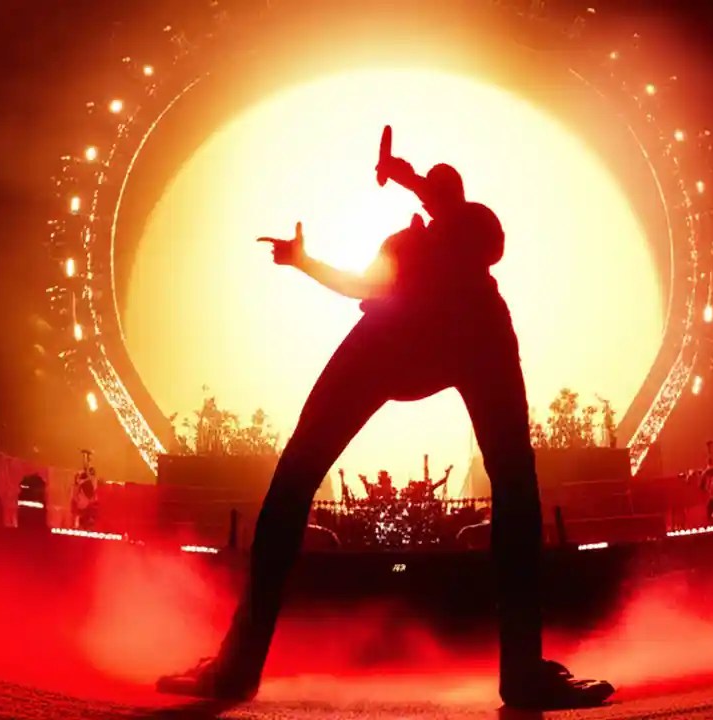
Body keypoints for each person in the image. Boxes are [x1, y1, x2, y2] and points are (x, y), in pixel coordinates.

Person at [156, 143, 614, 710]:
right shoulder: (412, 242)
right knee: (300, 479)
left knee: (506, 486)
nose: (429, 194)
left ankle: (235, 668)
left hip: (446, 337)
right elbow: (365, 286)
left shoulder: (472, 226)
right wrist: (307, 262)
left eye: (437, 189)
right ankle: (236, 666)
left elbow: (464, 238)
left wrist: (405, 179)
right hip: (406, 337)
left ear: (448, 199)